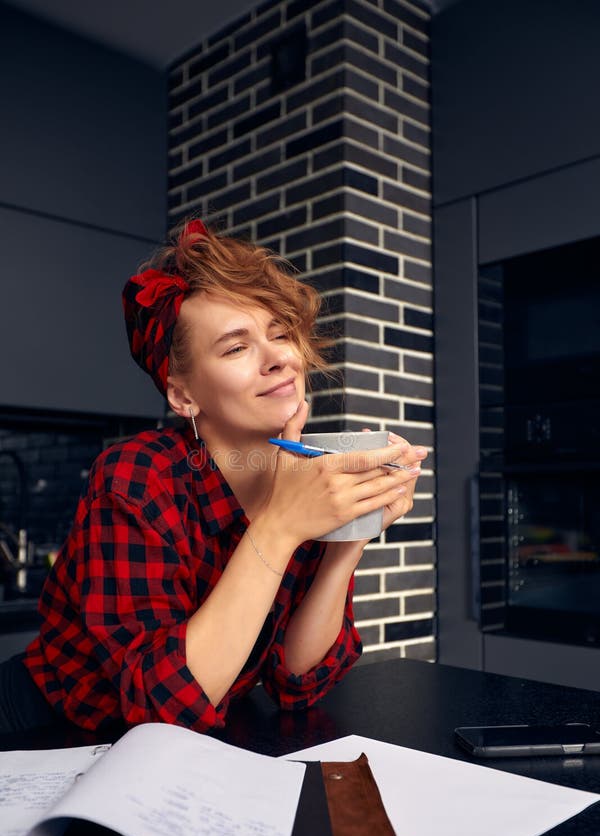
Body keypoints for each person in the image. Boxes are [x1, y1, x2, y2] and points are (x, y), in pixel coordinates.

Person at [0, 219, 426, 734]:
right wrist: (280, 525)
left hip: (184, 751)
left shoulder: (303, 475)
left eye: (279, 333)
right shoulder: (138, 476)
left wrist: (349, 536)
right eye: (236, 347)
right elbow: (162, 708)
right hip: (45, 729)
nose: (278, 361)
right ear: (183, 396)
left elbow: (298, 684)